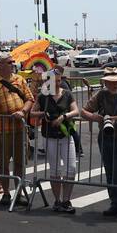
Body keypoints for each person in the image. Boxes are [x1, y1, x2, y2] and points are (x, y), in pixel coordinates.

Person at [82, 67, 117, 219]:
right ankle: (114, 203)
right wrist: (98, 118)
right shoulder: (101, 94)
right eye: (111, 82)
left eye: (116, 82)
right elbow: (84, 111)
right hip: (105, 137)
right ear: (105, 82)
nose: (114, 85)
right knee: (109, 171)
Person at [0, 55, 34, 206]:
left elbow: (30, 99)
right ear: (0, 65)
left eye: (13, 62)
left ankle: (19, 193)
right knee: (3, 164)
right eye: (9, 62)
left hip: (19, 129)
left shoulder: (20, 80)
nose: (12, 64)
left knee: (20, 163)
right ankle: (6, 193)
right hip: (2, 130)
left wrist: (23, 112)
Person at [34, 67, 81, 213]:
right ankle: (57, 201)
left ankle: (66, 200)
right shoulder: (43, 96)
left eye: (59, 80)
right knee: (54, 169)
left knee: (71, 168)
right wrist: (43, 114)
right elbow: (33, 112)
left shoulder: (67, 94)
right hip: (50, 136)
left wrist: (64, 116)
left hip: (66, 135)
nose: (57, 83)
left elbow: (76, 110)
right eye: (55, 81)